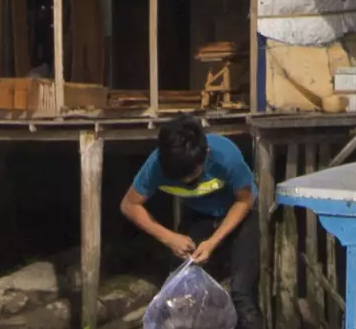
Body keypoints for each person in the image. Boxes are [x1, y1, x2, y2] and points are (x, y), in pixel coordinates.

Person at [110, 118, 260, 296]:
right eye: (178, 177)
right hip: (197, 213)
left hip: (239, 211)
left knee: (241, 292)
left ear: (207, 154)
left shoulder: (226, 157)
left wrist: (213, 241)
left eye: (192, 175)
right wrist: (169, 237)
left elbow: (245, 200)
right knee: (182, 291)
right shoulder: (156, 165)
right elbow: (129, 205)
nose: (186, 181)